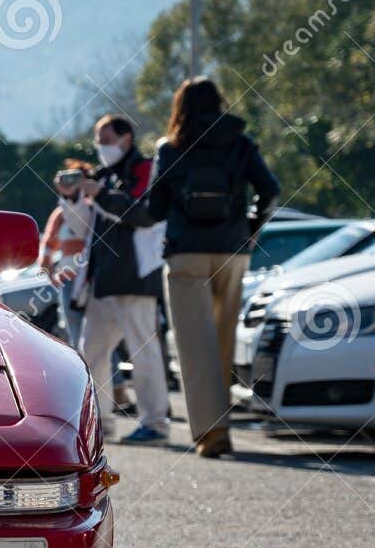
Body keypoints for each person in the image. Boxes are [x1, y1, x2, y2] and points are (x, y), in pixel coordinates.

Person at [139, 78, 278, 458]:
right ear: (219, 102)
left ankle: (213, 434)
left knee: (194, 346)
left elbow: (153, 209)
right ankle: (224, 425)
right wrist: (250, 227)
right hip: (233, 251)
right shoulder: (241, 143)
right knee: (223, 342)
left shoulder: (170, 148)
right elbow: (271, 190)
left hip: (187, 254)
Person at [77, 114, 170, 444]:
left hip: (135, 277)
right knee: (90, 353)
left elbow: (143, 214)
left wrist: (101, 195)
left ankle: (155, 423)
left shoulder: (145, 169)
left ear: (126, 138)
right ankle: (100, 422)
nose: (101, 147)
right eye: (98, 141)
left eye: (107, 140)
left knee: (144, 351)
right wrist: (73, 196)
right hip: (103, 280)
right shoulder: (103, 176)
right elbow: (83, 229)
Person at [39, 161, 94, 345]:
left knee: (97, 331)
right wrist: (47, 269)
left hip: (92, 277)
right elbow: (49, 243)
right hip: (67, 277)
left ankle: (106, 372)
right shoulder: (61, 213)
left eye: (77, 179)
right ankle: (87, 368)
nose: (73, 185)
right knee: (74, 329)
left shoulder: (95, 208)